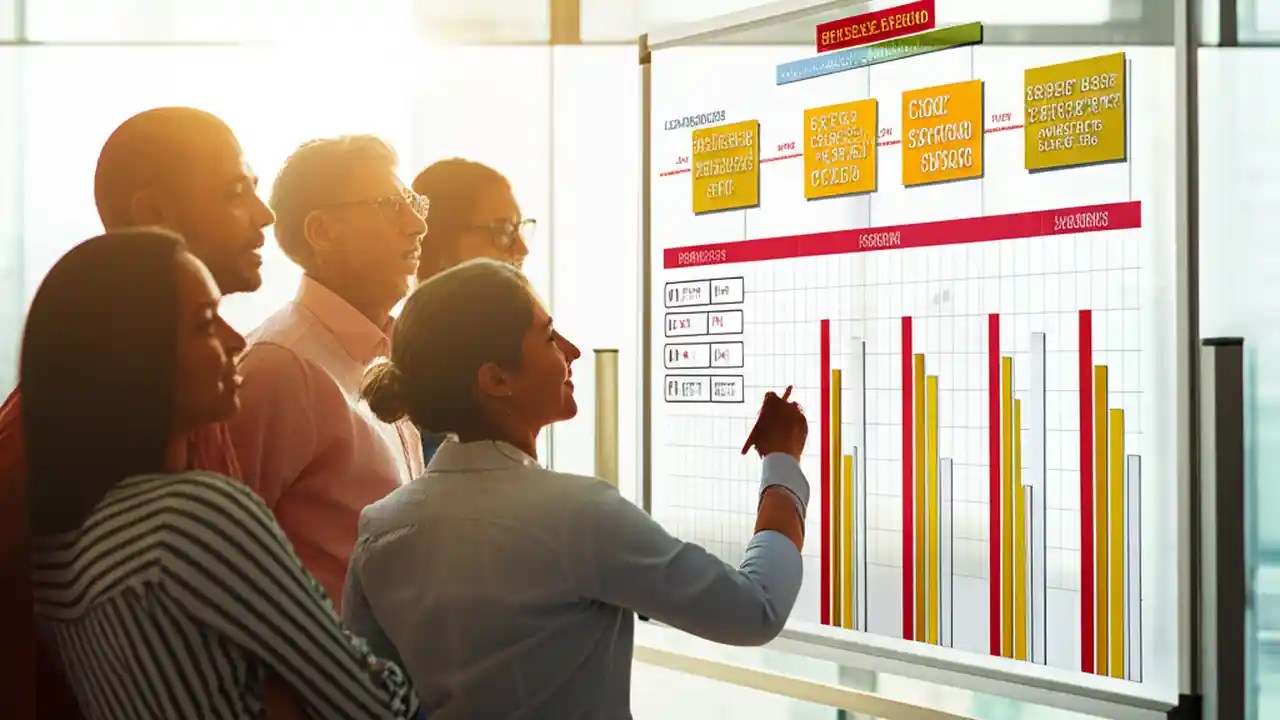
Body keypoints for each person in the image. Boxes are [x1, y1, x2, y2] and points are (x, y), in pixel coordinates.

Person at [343, 259, 809, 718]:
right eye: (548, 336)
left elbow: (369, 698)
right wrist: (782, 461)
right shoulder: (575, 515)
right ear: (496, 379)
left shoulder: (380, 527)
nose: (572, 350)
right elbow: (756, 609)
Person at [25, 229, 420, 719]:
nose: (236, 340)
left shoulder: (59, 541)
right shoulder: (194, 515)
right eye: (204, 323)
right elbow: (372, 704)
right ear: (132, 351)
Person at [0, 106, 275, 718]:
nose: (264, 216)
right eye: (237, 192)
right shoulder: (44, 429)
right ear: (151, 213)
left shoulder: (199, 387)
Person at [228, 135, 427, 607]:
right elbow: (227, 562)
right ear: (321, 231)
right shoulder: (278, 367)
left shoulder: (381, 354)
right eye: (390, 205)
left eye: (415, 203)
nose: (417, 224)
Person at [410, 158, 533, 462]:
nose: (521, 249)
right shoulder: (426, 374)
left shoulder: (498, 350)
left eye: (520, 228)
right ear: (435, 244)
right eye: (502, 230)